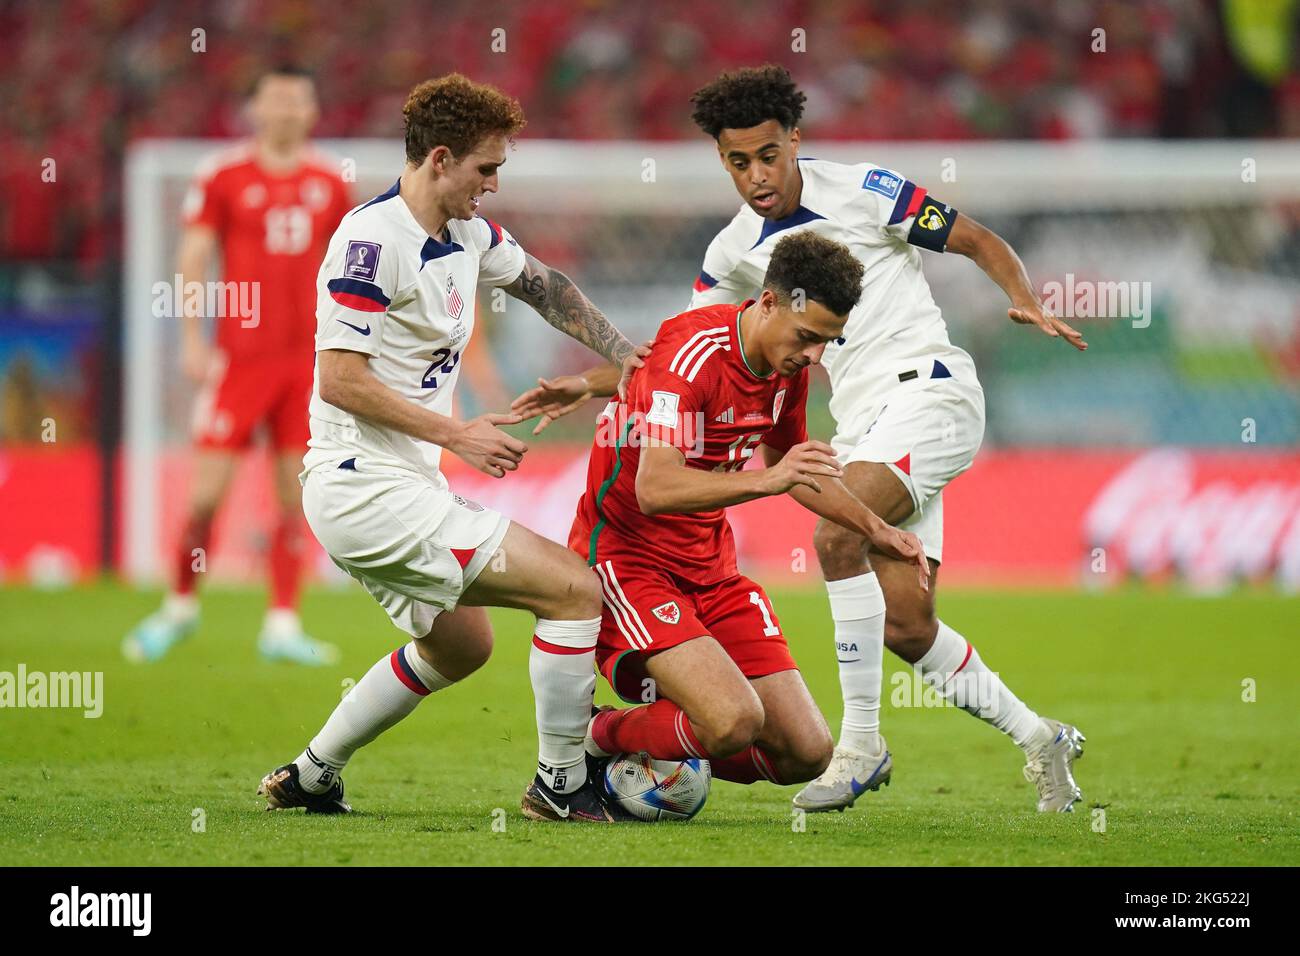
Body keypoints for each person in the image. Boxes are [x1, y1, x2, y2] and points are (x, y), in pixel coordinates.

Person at [688, 65, 1087, 813]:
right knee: (906, 623)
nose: (756, 176)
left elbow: (973, 238)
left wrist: (1024, 300)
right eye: (737, 162)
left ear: (794, 140)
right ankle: (1042, 740)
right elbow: (693, 344)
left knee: (835, 539)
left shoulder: (867, 189)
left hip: (931, 391)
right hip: (864, 426)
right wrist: (602, 382)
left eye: (767, 155)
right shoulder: (731, 254)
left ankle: (861, 745)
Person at [256, 73, 643, 823]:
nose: (494, 185)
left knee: (461, 648)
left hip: (403, 485)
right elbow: (338, 380)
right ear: (440, 158)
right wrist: (457, 432)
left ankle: (312, 774)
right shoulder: (371, 243)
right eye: (486, 169)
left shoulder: (465, 232)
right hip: (362, 487)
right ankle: (562, 788)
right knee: (573, 589)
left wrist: (624, 354)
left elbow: (541, 283)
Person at [516, 232, 927, 790]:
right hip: (629, 562)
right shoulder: (693, 353)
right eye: (808, 337)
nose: (814, 355)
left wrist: (878, 529)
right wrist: (769, 479)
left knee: (806, 752)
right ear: (769, 303)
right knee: (733, 720)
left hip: (711, 570)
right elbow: (654, 489)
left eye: (827, 343)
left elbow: (796, 472)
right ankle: (592, 736)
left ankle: (667, 742)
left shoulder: (788, 373)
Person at [123, 66, 353, 666]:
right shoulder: (223, 176)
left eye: (297, 99)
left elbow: (350, 274)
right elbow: (195, 257)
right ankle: (179, 607)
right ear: (253, 108)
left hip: (306, 367)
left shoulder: (330, 184)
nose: (285, 109)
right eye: (274, 98)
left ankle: (282, 621)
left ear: (312, 110)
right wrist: (193, 341)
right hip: (241, 361)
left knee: (293, 497)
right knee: (205, 494)